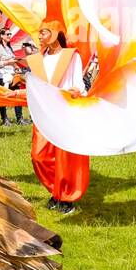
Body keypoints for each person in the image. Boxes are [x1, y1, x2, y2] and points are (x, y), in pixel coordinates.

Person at [28, 21, 89, 214]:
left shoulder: (71, 57)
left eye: (43, 33)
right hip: (44, 114)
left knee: (64, 159)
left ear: (54, 34)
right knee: (39, 156)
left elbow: (79, 83)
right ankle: (56, 190)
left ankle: (65, 198)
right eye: (39, 34)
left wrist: (77, 91)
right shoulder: (40, 59)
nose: (40, 37)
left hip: (64, 112)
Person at [0, 28, 24, 126]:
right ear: (1, 35)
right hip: (3, 75)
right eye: (7, 34)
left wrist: (16, 67)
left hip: (12, 74)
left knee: (17, 95)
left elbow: (13, 61)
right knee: (4, 97)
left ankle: (19, 118)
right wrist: (8, 62)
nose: (10, 36)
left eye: (10, 34)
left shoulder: (9, 48)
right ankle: (4, 119)